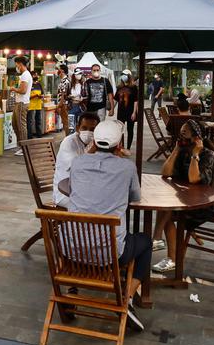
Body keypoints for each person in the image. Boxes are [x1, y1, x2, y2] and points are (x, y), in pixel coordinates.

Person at [57, 119, 149, 332]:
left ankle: (74, 289)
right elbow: (135, 197)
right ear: (119, 144)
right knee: (144, 241)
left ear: (94, 142)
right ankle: (126, 298)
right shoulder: (127, 167)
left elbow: (73, 187)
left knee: (88, 224)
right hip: (110, 255)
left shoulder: (79, 163)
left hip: (70, 250)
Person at [151, 118, 214, 274]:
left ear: (196, 138)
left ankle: (167, 253)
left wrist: (195, 154)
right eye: (180, 133)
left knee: (168, 213)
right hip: (188, 199)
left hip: (208, 205)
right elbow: (165, 172)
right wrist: (176, 150)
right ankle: (158, 242)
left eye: (184, 134)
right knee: (166, 206)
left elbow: (193, 178)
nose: (180, 137)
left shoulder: (208, 156)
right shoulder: (183, 151)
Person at [52, 111, 99, 206]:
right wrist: (92, 150)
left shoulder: (96, 143)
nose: (88, 132)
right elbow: (75, 167)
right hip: (65, 194)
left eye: (92, 129)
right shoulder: (69, 142)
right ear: (78, 128)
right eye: (84, 128)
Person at [11, 56, 32, 156]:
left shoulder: (25, 75)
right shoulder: (24, 75)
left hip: (22, 103)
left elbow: (23, 90)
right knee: (15, 124)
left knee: (21, 126)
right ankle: (21, 146)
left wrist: (13, 89)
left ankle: (24, 148)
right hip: (19, 103)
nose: (16, 66)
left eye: (16, 64)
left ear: (20, 64)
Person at [114, 72, 140, 150]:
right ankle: (121, 147)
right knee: (120, 130)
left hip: (130, 111)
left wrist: (134, 112)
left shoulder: (133, 87)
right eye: (122, 74)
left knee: (130, 130)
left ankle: (128, 148)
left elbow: (136, 101)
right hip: (121, 112)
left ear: (129, 76)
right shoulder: (119, 87)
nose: (123, 76)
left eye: (125, 75)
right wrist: (111, 108)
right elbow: (116, 99)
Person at [55, 63, 72, 136]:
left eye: (58, 69)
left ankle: (67, 138)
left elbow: (63, 95)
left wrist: (59, 106)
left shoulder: (65, 81)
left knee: (66, 123)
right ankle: (67, 137)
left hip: (64, 105)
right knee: (65, 123)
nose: (57, 71)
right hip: (63, 105)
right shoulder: (63, 81)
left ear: (62, 70)